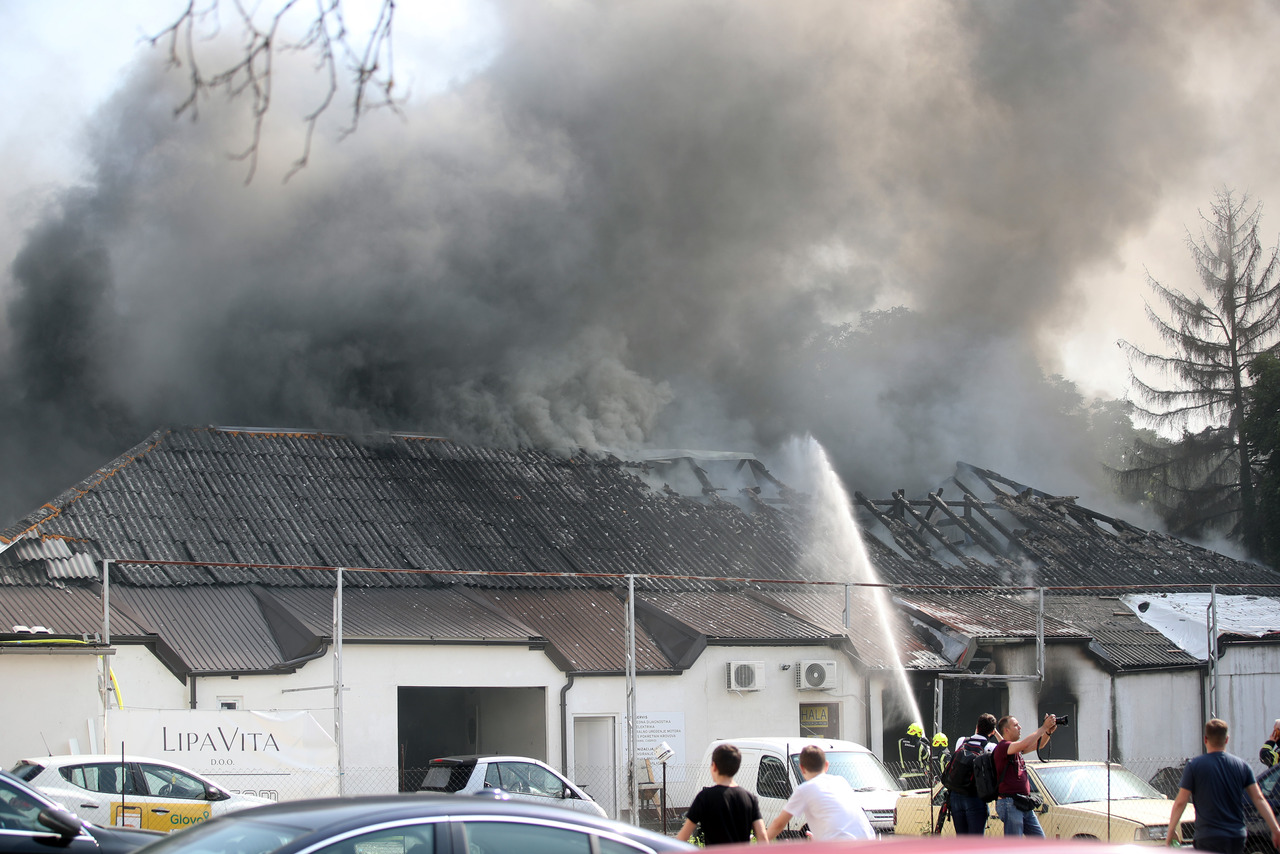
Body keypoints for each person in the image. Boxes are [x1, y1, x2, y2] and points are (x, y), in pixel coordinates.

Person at [1166, 719, 1280, 853]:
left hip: (1207, 837)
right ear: (1227, 739)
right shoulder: (1241, 766)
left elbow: (1181, 802)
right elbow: (1259, 799)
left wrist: (1171, 830)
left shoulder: (1194, 766)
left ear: (1205, 739)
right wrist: (1275, 828)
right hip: (1236, 836)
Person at [764, 744, 874, 841]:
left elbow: (779, 824)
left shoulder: (805, 789)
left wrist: (757, 846)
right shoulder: (841, 782)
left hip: (841, 846)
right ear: (826, 765)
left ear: (802, 768)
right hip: (868, 841)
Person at [676, 743, 769, 846]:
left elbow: (683, 837)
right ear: (737, 767)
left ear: (714, 766)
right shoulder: (750, 798)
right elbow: (762, 837)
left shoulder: (704, 797)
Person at [993, 713, 1057, 837]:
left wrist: (1048, 732)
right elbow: (1025, 744)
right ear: (1006, 730)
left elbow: (1040, 744)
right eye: (1016, 725)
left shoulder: (1015, 748)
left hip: (1023, 802)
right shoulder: (1004, 747)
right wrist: (1043, 727)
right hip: (1010, 803)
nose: (1020, 727)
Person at [948, 713, 998, 836]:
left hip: (955, 795)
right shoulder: (991, 747)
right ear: (992, 731)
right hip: (975, 796)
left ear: (977, 726)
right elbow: (1006, 748)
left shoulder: (962, 741)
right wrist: (995, 733)